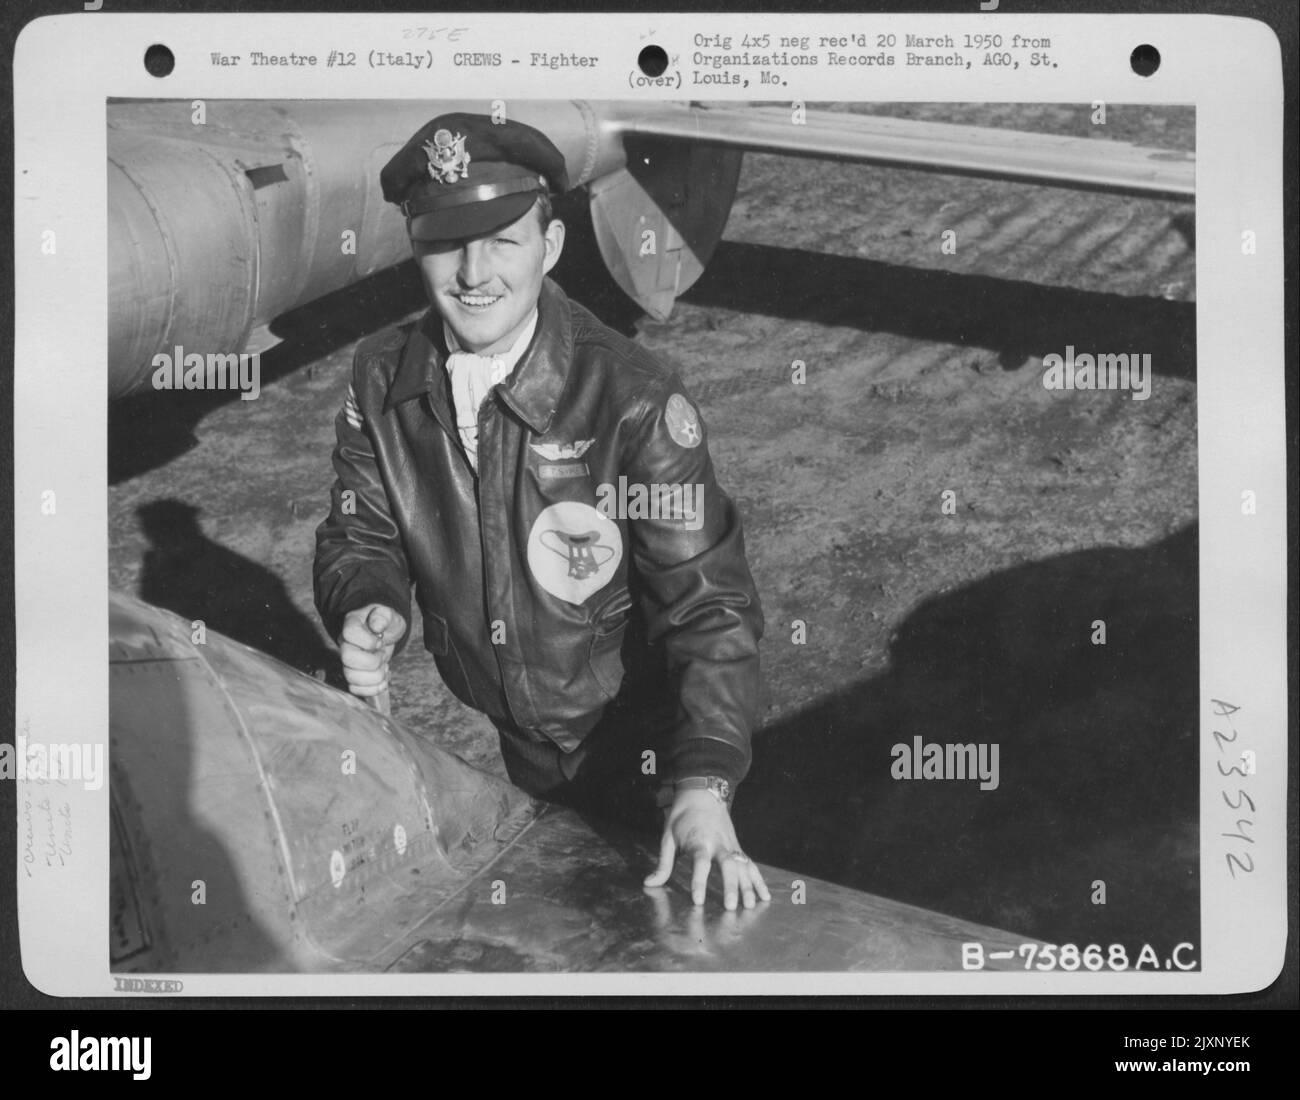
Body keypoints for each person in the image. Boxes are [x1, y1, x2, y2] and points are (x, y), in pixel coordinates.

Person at [314, 113, 768, 911]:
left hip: (648, 746)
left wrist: (702, 783)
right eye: (445, 243)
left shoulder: (630, 398)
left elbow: (710, 606)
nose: (472, 272)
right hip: (522, 737)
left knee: (669, 930)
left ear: (550, 247)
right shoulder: (381, 378)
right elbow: (362, 528)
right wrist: (367, 600)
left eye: (502, 241)